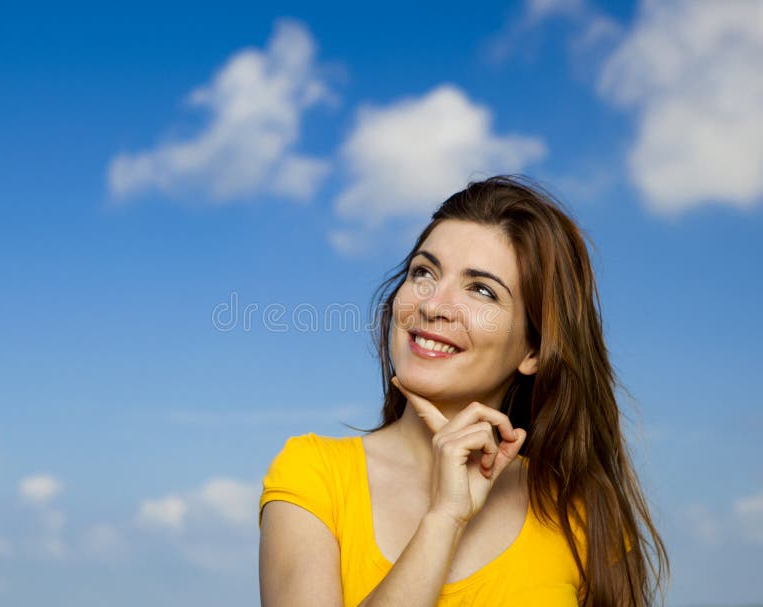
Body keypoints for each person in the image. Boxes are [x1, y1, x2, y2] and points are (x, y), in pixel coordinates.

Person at [258, 175, 669, 606]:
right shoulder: (312, 476)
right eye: (423, 272)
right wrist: (444, 519)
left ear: (533, 349)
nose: (433, 305)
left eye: (481, 290)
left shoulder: (582, 515)